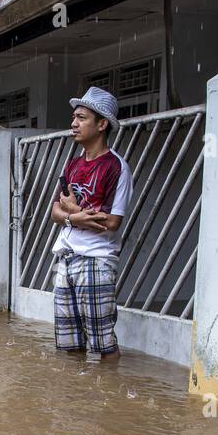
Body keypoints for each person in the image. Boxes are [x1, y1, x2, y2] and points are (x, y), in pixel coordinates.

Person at [48, 86, 133, 358]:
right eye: (74, 117)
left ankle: (108, 396)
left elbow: (111, 222)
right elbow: (55, 212)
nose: (74, 124)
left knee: (103, 343)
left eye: (82, 118)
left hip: (96, 260)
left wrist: (72, 212)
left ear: (102, 124)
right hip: (66, 257)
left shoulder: (116, 167)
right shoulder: (72, 165)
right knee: (68, 343)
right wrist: (75, 215)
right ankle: (76, 397)